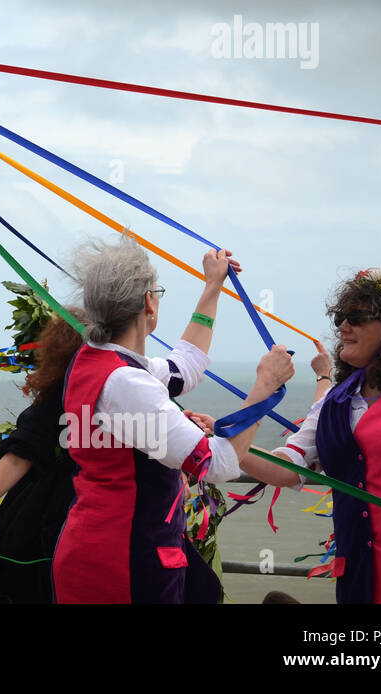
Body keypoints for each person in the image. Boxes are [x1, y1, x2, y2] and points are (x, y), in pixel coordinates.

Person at [50, 235, 294, 604]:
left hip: (96, 546)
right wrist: (264, 386)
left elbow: (185, 368)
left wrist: (212, 287)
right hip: (127, 559)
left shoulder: (96, 361)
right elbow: (219, 462)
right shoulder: (126, 381)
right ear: (149, 302)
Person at [241, 268, 381, 603]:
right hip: (360, 582)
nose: (342, 327)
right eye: (339, 318)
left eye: (356, 317)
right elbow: (288, 467)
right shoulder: (333, 404)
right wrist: (220, 443)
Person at [0, 308, 86, 603]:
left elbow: (18, 456)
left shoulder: (61, 398)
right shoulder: (64, 399)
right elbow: (18, 456)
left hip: (58, 515)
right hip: (60, 517)